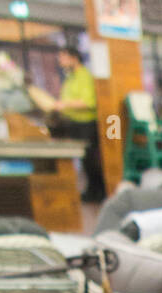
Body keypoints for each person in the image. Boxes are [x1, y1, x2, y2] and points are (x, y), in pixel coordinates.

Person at [48, 45, 105, 203]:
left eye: (63, 57)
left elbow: (88, 102)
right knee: (84, 161)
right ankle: (91, 191)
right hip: (73, 123)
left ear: (74, 58)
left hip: (86, 124)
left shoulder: (84, 76)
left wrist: (63, 105)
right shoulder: (70, 77)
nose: (60, 61)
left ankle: (99, 192)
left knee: (91, 160)